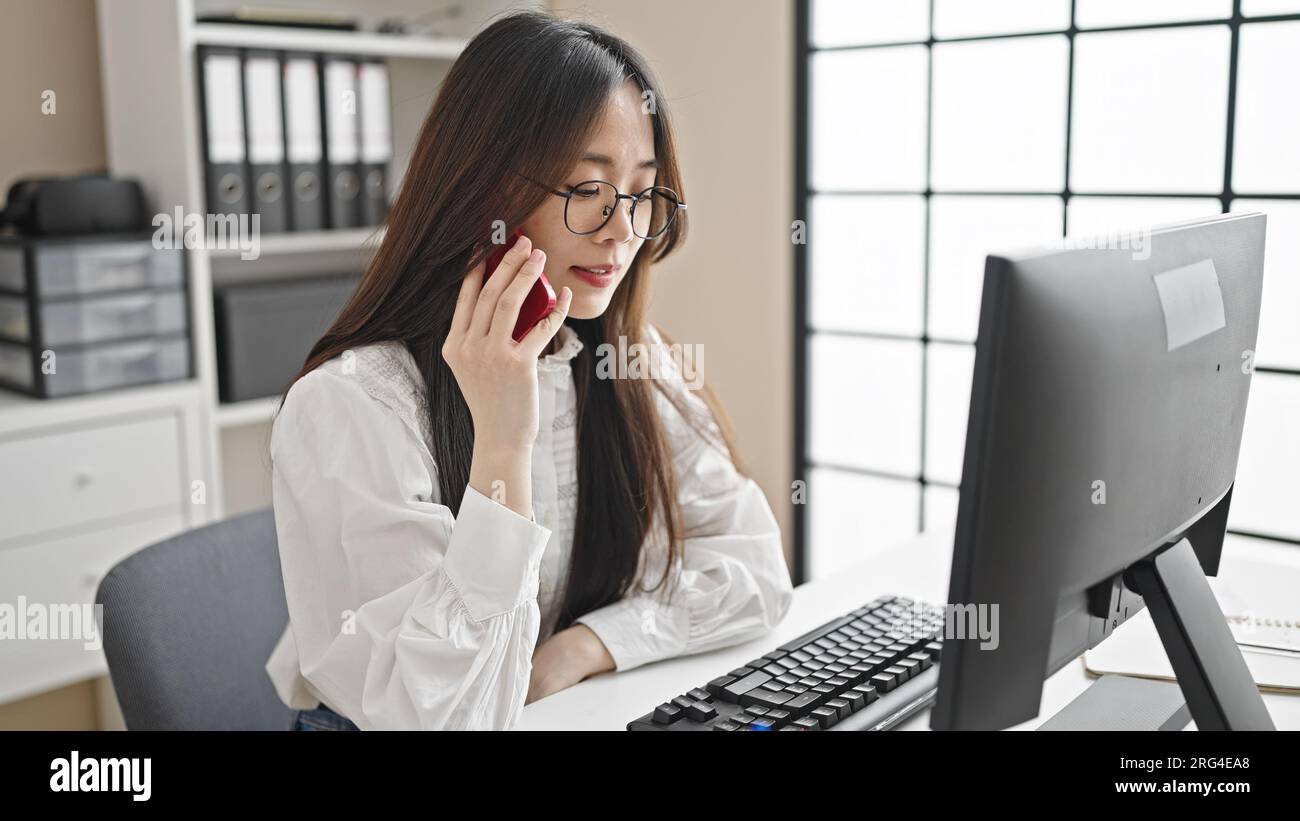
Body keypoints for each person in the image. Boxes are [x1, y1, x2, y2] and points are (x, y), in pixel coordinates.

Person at [266, 10, 793, 731]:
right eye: (587, 191)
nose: (623, 231)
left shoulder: (622, 359)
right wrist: (503, 443)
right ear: (486, 196)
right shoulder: (352, 405)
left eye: (641, 192)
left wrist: (588, 645)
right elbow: (447, 717)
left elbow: (756, 571)